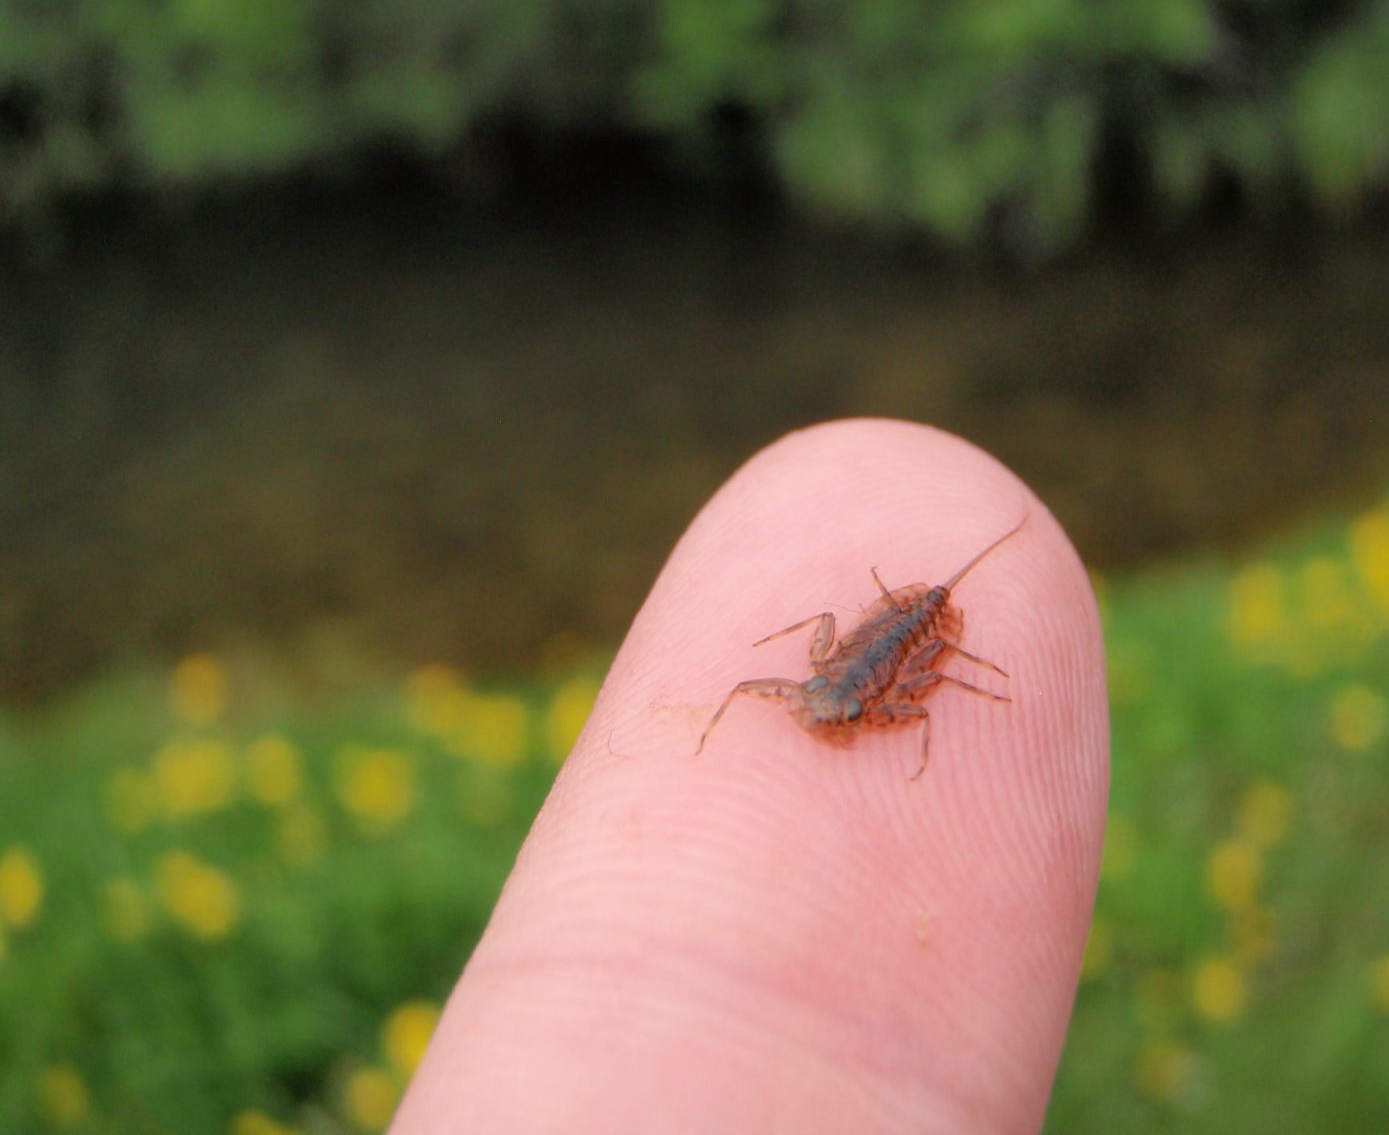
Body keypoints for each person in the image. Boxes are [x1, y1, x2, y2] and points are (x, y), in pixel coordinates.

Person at [389, 419, 1109, 1134]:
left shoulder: (891, 688)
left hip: (895, 639)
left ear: (851, 708)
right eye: (817, 707)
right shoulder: (832, 679)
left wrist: (945, 689)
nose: (820, 723)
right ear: (813, 683)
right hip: (880, 637)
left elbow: (919, 699)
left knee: (939, 684)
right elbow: (757, 678)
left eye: (835, 717)